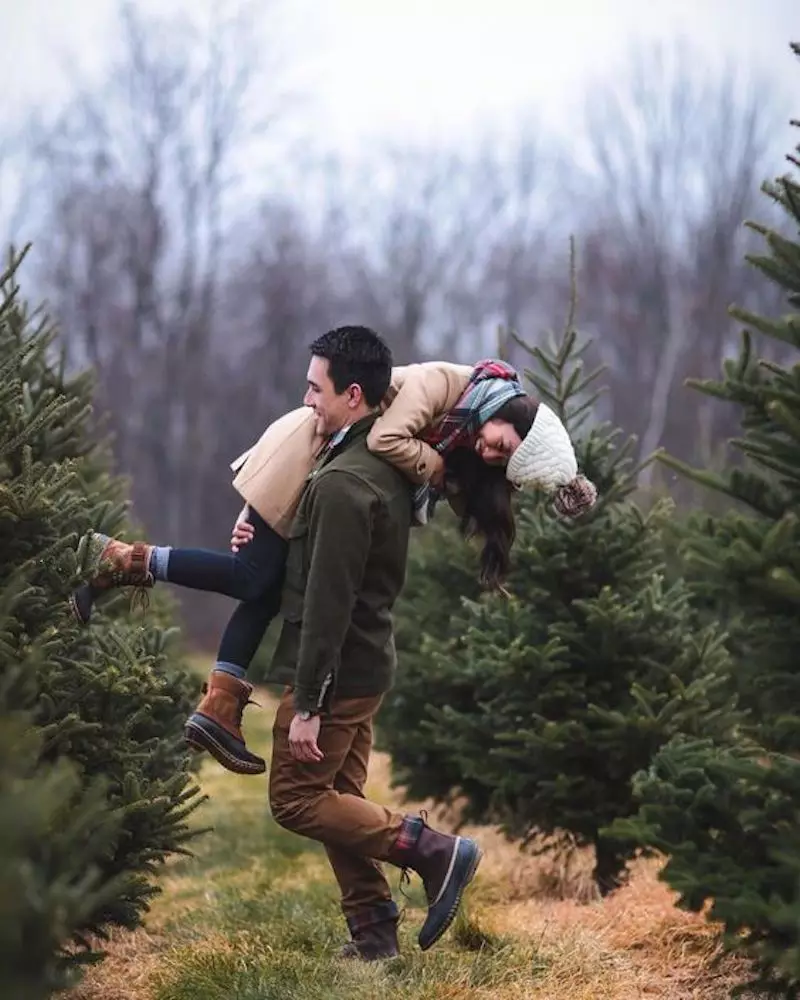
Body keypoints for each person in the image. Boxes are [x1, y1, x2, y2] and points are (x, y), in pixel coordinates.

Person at [70, 337, 596, 776]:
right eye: (501, 446)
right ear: (510, 413)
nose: (489, 454)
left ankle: (219, 708)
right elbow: (390, 437)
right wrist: (437, 469)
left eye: (500, 460)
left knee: (263, 585)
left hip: (325, 455)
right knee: (252, 577)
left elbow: (450, 477)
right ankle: (119, 560)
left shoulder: (470, 422)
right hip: (307, 446)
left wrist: (538, 486)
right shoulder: (443, 386)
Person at [264, 324, 482, 960]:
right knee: (340, 801)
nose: (307, 401)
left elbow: (328, 602)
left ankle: (435, 851)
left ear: (353, 394)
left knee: (297, 799)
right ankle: (374, 933)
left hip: (338, 669)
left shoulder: (344, 483)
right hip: (366, 664)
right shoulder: (377, 464)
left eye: (315, 389)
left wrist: (307, 702)